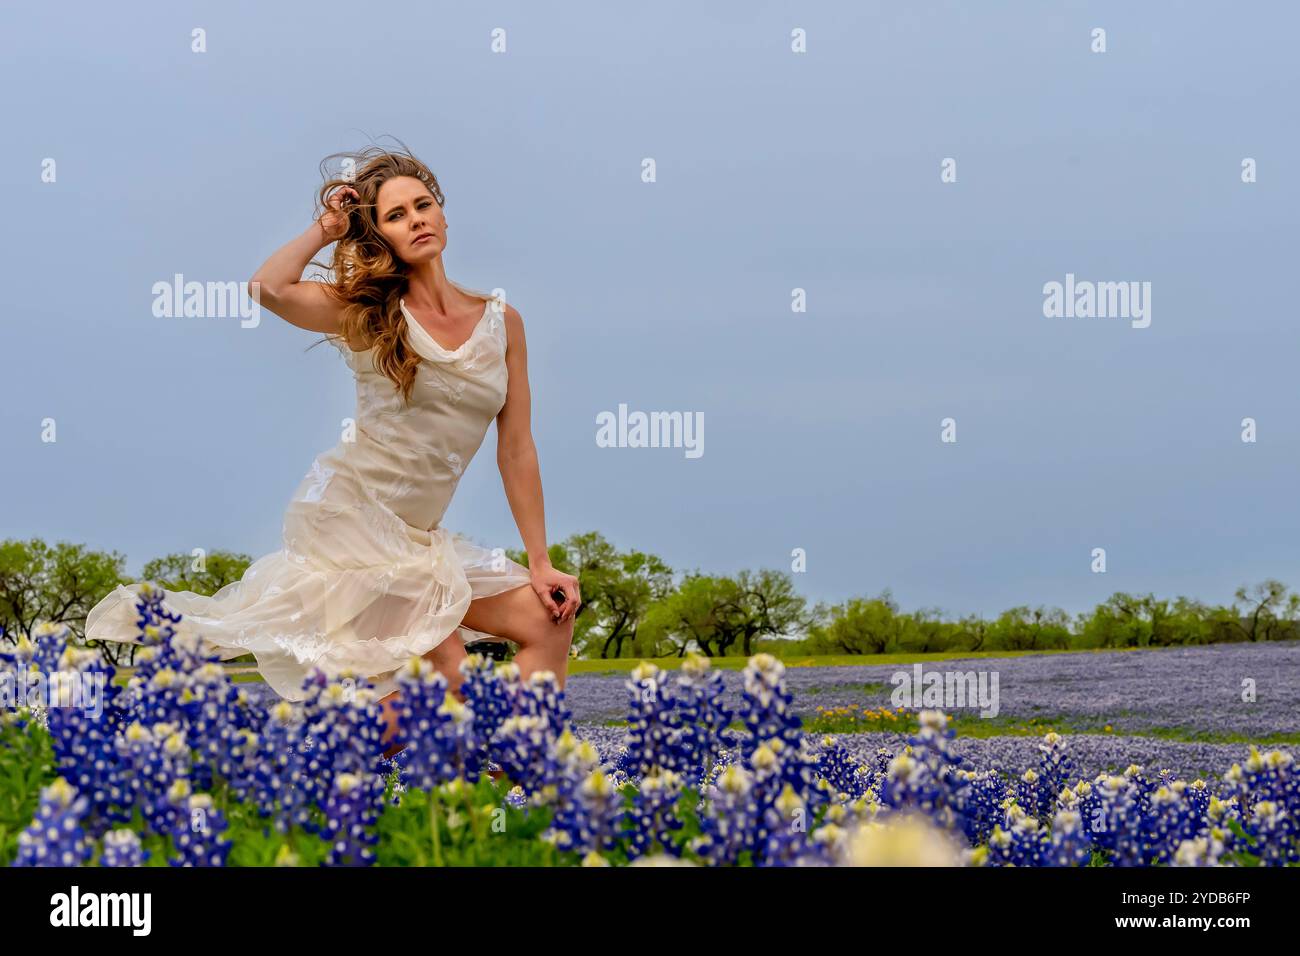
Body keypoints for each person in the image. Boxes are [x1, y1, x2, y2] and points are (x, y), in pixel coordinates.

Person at [85, 144, 581, 760]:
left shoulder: (503, 322)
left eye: (424, 205)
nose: (416, 219)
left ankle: (524, 787)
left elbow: (517, 449)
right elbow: (267, 288)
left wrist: (540, 561)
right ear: (382, 235)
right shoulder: (368, 314)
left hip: (420, 538)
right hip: (352, 520)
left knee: (544, 619)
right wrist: (329, 228)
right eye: (396, 215)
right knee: (443, 673)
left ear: (445, 216)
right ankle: (293, 782)